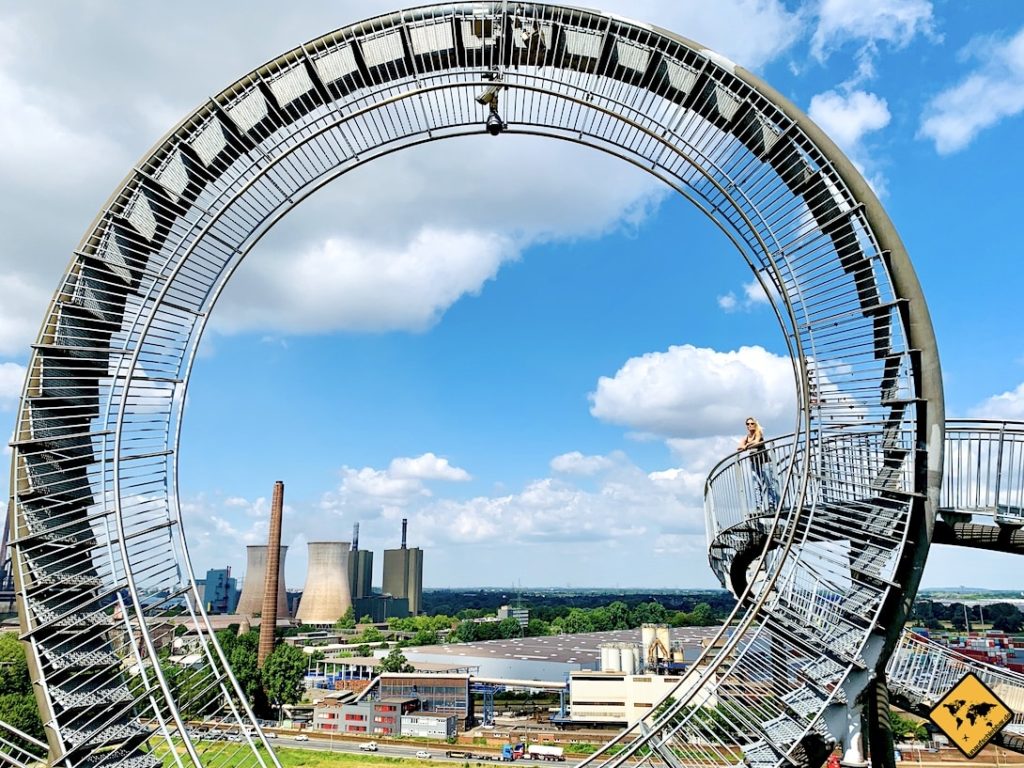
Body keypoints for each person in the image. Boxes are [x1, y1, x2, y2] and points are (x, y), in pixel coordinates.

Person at [737, 417, 780, 511]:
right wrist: (744, 446)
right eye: (748, 424)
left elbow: (756, 442)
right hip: (754, 462)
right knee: (756, 485)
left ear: (755, 424)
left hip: (764, 461)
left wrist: (747, 446)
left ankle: (771, 505)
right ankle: (758, 507)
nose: (750, 425)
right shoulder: (746, 437)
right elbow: (739, 447)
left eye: (752, 423)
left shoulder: (758, 432)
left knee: (769, 483)